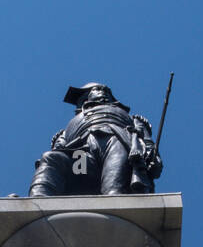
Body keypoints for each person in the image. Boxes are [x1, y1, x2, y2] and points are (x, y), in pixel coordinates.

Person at [28, 83, 163, 196]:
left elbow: (147, 142)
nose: (102, 92)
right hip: (81, 155)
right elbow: (60, 148)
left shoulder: (133, 119)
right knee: (51, 158)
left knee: (113, 188)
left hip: (116, 143)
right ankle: (38, 199)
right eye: (97, 89)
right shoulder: (69, 127)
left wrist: (152, 156)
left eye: (103, 90)